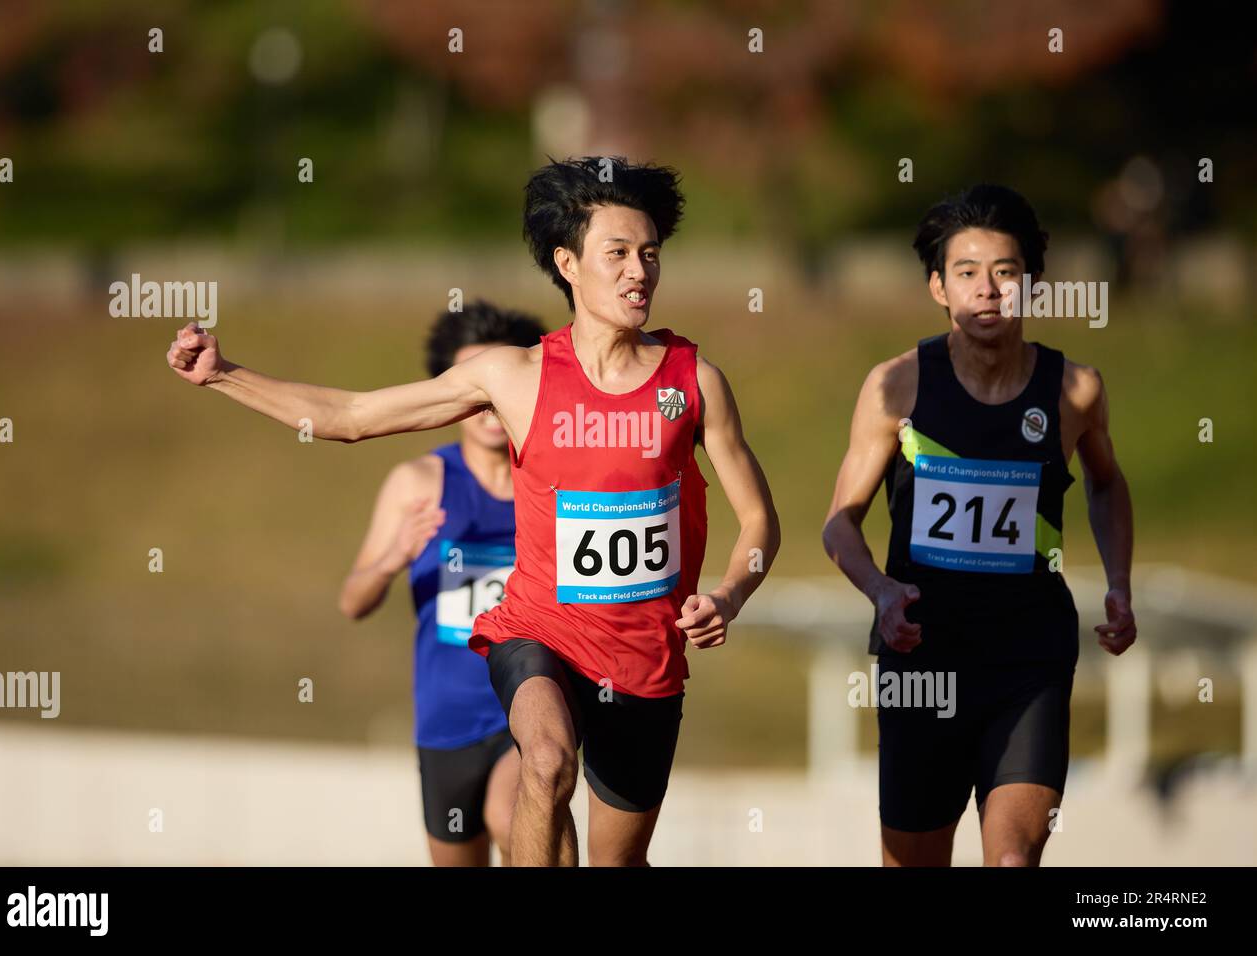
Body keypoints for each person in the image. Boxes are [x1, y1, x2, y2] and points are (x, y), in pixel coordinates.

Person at [166, 156, 780, 867]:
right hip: (540, 631)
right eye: (616, 254)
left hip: (645, 656)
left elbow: (759, 522)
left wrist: (730, 595)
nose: (638, 271)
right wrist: (223, 374)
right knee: (545, 762)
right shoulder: (514, 377)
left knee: (617, 863)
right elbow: (352, 416)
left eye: (649, 254)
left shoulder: (693, 381)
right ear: (568, 263)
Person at [822, 183, 1136, 867]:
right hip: (921, 659)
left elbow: (1107, 484)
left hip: (1030, 658)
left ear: (1030, 285)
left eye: (1006, 272)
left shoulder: (1074, 389)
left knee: (1014, 859)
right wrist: (880, 591)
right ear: (938, 287)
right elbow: (839, 524)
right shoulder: (896, 386)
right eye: (967, 272)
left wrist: (1119, 584)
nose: (987, 289)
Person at [339, 301, 544, 866]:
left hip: (530, 706)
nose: (485, 404)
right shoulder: (419, 482)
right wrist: (390, 561)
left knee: (518, 817)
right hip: (446, 725)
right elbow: (353, 601)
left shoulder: (550, 484)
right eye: (470, 386)